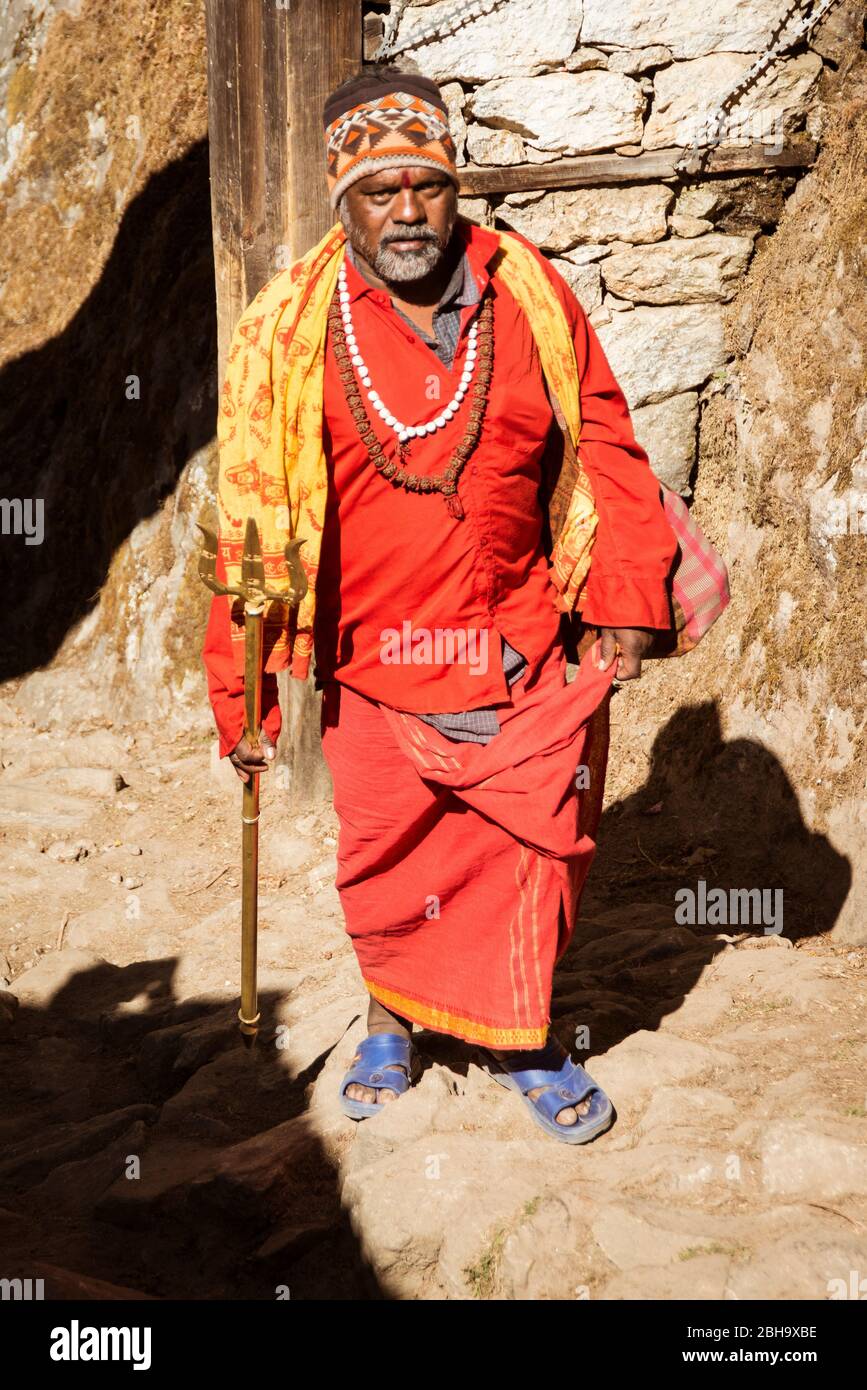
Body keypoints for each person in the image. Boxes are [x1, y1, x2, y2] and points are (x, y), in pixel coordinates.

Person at [202, 67, 678, 1144]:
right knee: (387, 857)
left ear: (454, 189)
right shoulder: (287, 335)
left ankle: (523, 1036)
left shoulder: (532, 296)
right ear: (344, 202)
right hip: (375, 668)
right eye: (380, 192)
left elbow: (605, 441)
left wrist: (629, 595)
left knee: (534, 856)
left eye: (426, 186)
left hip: (523, 647)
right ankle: (390, 1022)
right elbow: (257, 526)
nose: (407, 211)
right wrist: (244, 694)